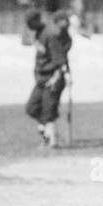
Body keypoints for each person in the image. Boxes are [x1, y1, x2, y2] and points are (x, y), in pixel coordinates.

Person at [25, 11, 72, 147]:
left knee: (48, 110)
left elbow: (59, 59)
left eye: (31, 23)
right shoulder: (39, 34)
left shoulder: (50, 34)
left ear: (37, 20)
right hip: (41, 78)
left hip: (53, 77)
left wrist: (60, 77)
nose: (29, 27)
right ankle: (48, 133)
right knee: (31, 108)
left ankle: (51, 141)